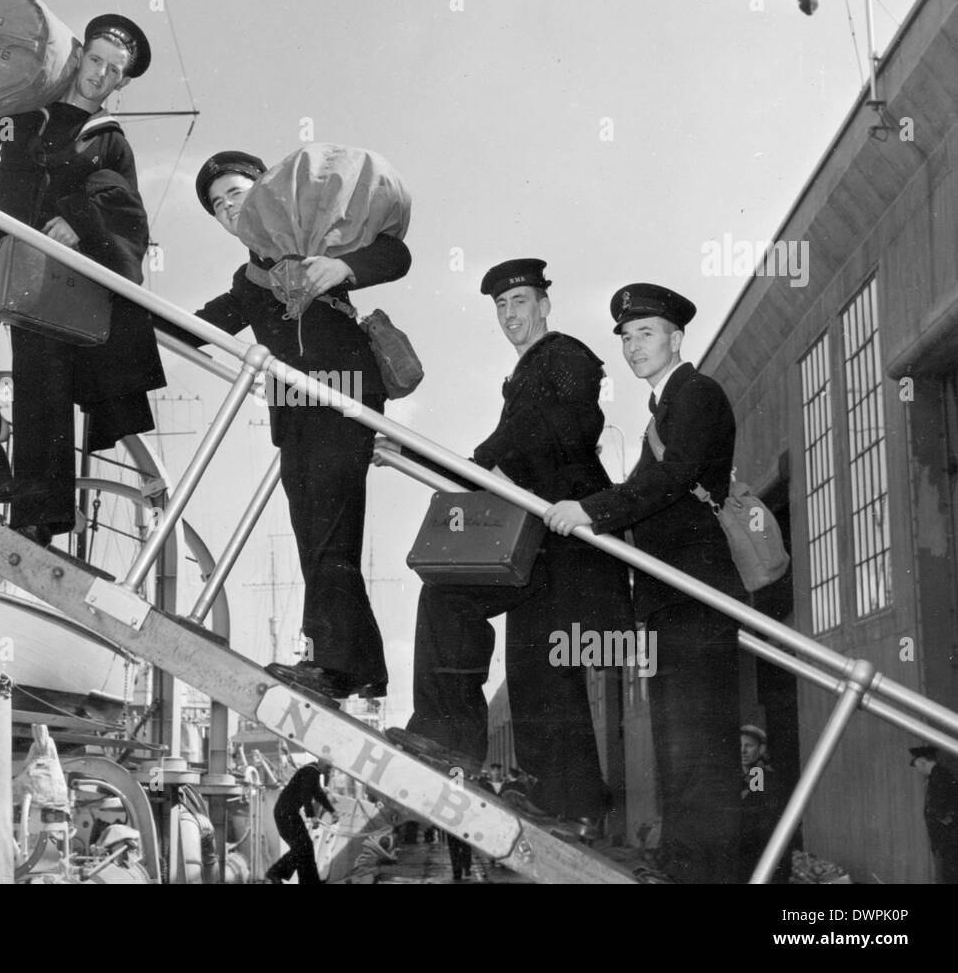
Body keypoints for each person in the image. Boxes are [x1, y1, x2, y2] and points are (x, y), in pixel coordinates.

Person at [390, 259, 630, 830]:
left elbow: (564, 428)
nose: (509, 314)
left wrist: (472, 461)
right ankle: (537, 793)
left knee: (541, 673)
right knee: (531, 675)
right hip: (537, 549)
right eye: (500, 306)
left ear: (544, 304)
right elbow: (520, 439)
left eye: (519, 301)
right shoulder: (525, 374)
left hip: (567, 548)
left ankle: (547, 796)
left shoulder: (567, 356)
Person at [162, 151, 411, 699]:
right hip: (294, 414)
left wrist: (342, 268)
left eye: (238, 194)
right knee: (317, 540)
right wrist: (134, 319)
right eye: (218, 204)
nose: (229, 207)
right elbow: (203, 323)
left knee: (328, 536)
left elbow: (394, 253)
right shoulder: (249, 278)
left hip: (342, 397)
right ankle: (356, 667)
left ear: (268, 191)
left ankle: (335, 666)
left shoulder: (315, 235)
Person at [0, 14, 165, 545]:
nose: (100, 74)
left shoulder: (110, 141)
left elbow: (127, 213)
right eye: (96, 60)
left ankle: (39, 514)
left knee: (42, 383)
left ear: (122, 83)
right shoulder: (27, 110)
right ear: (79, 57)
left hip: (51, 267)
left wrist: (80, 222)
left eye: (114, 70)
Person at [544, 283, 743, 884]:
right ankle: (685, 866)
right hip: (669, 601)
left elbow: (671, 480)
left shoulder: (696, 394)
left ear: (677, 339)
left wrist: (590, 510)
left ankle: (704, 873)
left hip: (695, 597)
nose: (634, 346)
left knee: (699, 749)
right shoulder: (665, 405)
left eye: (647, 333)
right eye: (627, 338)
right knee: (679, 747)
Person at [739, 723, 792, 882]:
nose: (743, 750)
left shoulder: (766, 777)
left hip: (763, 854)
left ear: (761, 749)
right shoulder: (736, 778)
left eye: (749, 745)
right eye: (740, 745)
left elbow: (765, 820)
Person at [266, 761, 334, 884]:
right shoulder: (311, 772)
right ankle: (276, 872)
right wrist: (312, 816)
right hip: (286, 814)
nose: (329, 772)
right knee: (302, 847)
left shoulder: (312, 772)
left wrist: (332, 811)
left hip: (288, 813)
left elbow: (319, 794)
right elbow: (306, 795)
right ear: (322, 764)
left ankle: (309, 881)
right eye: (328, 768)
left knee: (305, 847)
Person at [909, 744, 958, 883]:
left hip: (948, 841)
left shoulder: (939, 777)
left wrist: (943, 822)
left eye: (917, 765)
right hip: (947, 840)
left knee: (949, 876)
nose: (918, 769)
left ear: (922, 762)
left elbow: (940, 808)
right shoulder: (940, 775)